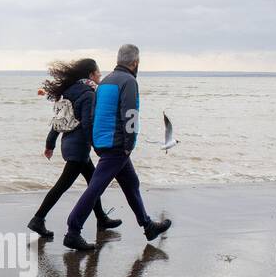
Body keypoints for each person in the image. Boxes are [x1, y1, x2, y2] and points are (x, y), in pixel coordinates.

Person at [64, 44, 172, 251]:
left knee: (131, 182)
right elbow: (130, 114)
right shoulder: (129, 81)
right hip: (118, 144)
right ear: (135, 62)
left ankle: (148, 225)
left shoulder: (105, 81)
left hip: (104, 142)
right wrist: (129, 144)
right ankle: (73, 231)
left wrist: (95, 142)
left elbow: (94, 115)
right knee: (96, 187)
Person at [27, 59, 121, 239]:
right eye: (98, 72)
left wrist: (50, 143)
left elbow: (59, 121)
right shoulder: (89, 94)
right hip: (78, 149)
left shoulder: (70, 92)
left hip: (69, 144)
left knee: (94, 182)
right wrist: (97, 146)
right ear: (91, 75)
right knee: (63, 185)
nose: (100, 76)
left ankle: (101, 218)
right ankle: (38, 219)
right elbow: (87, 124)